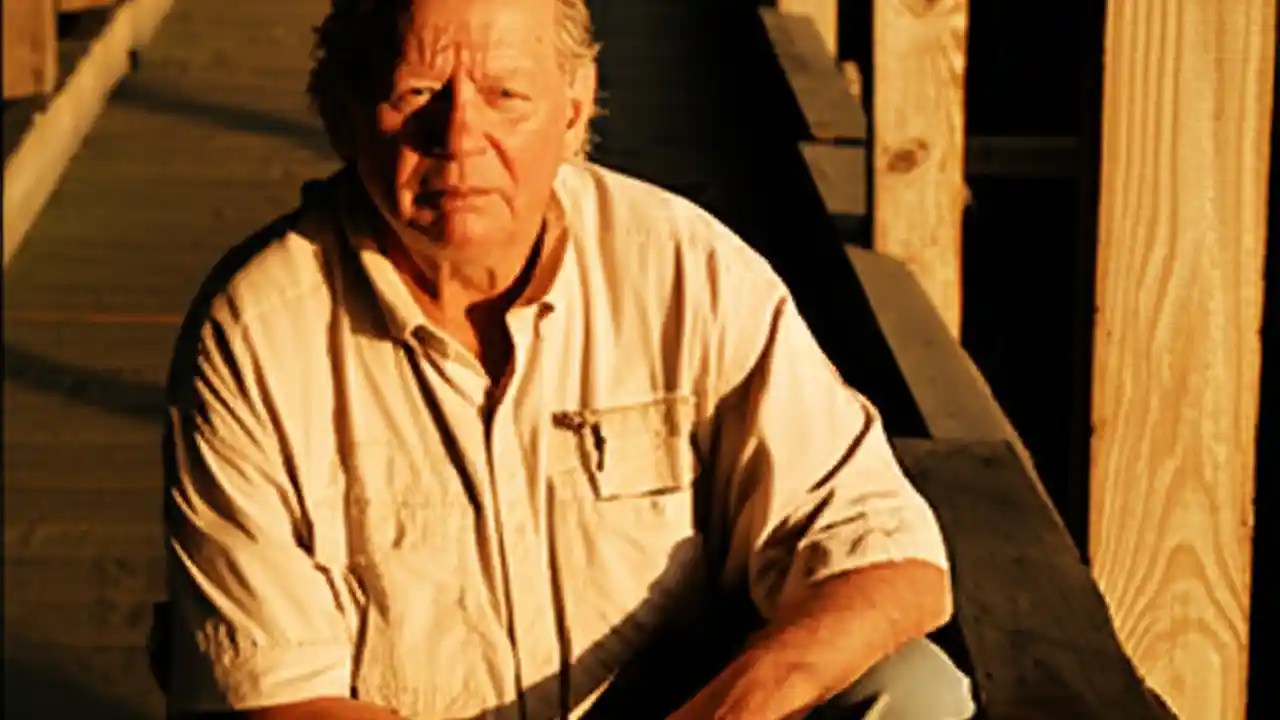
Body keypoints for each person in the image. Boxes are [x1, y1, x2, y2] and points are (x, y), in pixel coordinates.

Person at [158, 0, 977, 717]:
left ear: (575, 109)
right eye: (416, 94)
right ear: (341, 113)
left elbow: (890, 560)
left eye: (506, 95)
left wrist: (737, 709)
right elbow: (278, 696)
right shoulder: (257, 333)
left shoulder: (690, 270)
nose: (459, 137)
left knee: (914, 690)